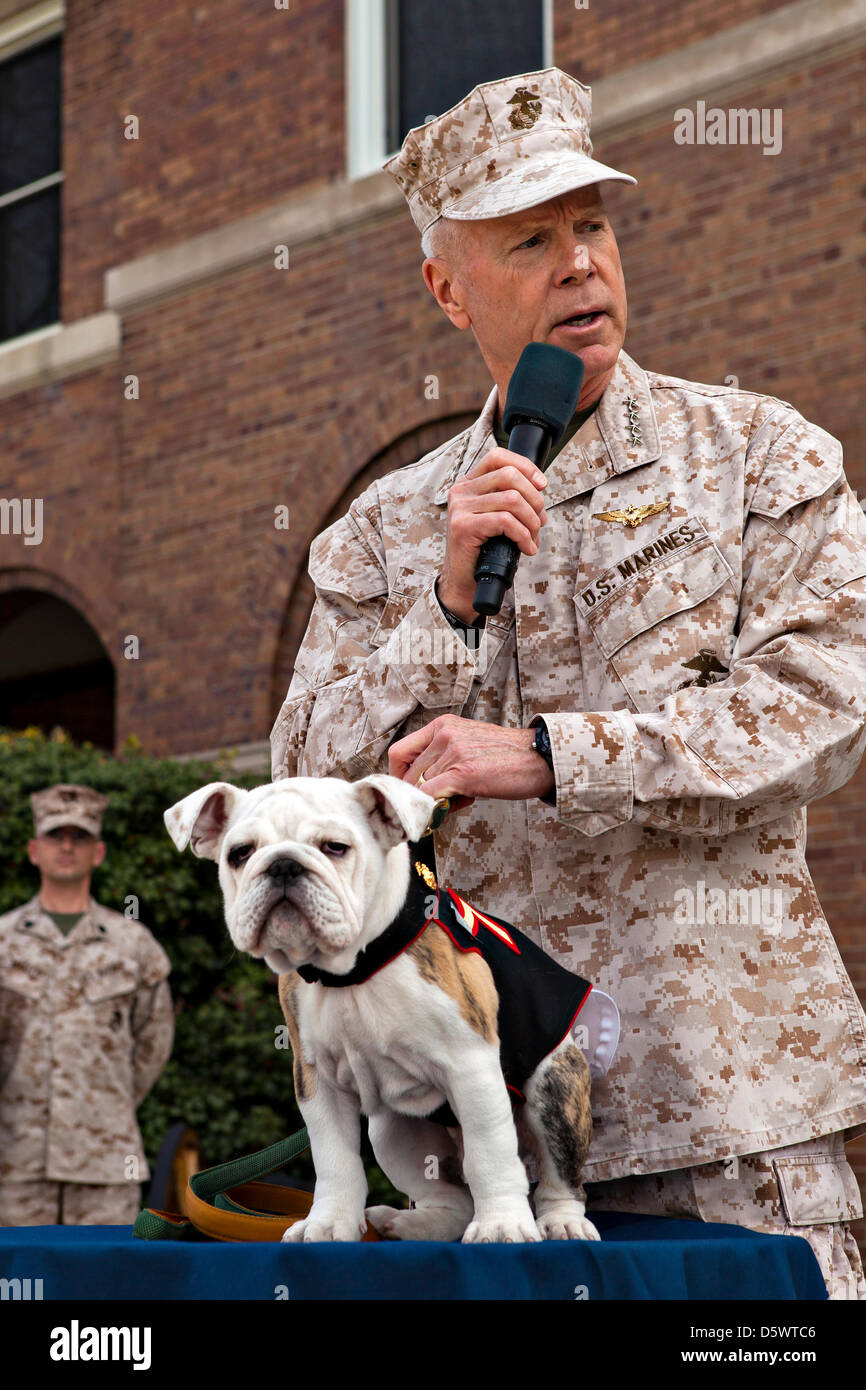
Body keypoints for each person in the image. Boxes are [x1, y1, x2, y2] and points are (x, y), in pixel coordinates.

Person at [269, 67, 866, 1297]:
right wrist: (439, 607)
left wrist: (549, 754)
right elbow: (296, 791)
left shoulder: (758, 455)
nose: (579, 263)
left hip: (725, 1104)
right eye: (529, 238)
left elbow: (821, 705)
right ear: (447, 288)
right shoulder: (384, 531)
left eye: (592, 224)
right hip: (485, 1141)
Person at [0, 783, 174, 1225]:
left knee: (102, 1286)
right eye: (56, 835)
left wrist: (102, 1104)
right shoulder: (2, 940)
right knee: (18, 1286)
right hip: (15, 1161)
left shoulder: (132, 944)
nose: (66, 846)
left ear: (97, 853)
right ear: (34, 850)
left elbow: (153, 1043)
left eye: (78, 837)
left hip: (104, 1162)